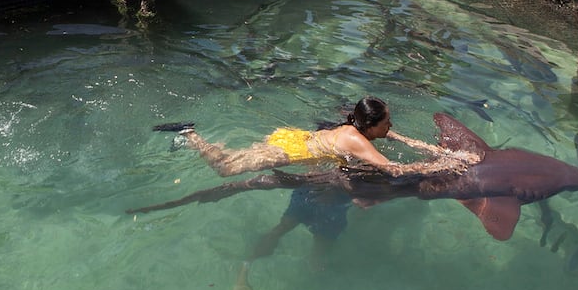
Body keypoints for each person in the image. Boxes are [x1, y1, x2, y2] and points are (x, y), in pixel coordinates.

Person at [177, 96, 471, 177]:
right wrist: (443, 167)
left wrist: (438, 150)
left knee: (232, 158)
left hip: (296, 137)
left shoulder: (357, 128)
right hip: (291, 151)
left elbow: (397, 137)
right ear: (369, 127)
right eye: (386, 123)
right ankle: (190, 135)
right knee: (226, 168)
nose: (390, 128)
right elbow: (395, 171)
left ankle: (201, 138)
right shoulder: (358, 141)